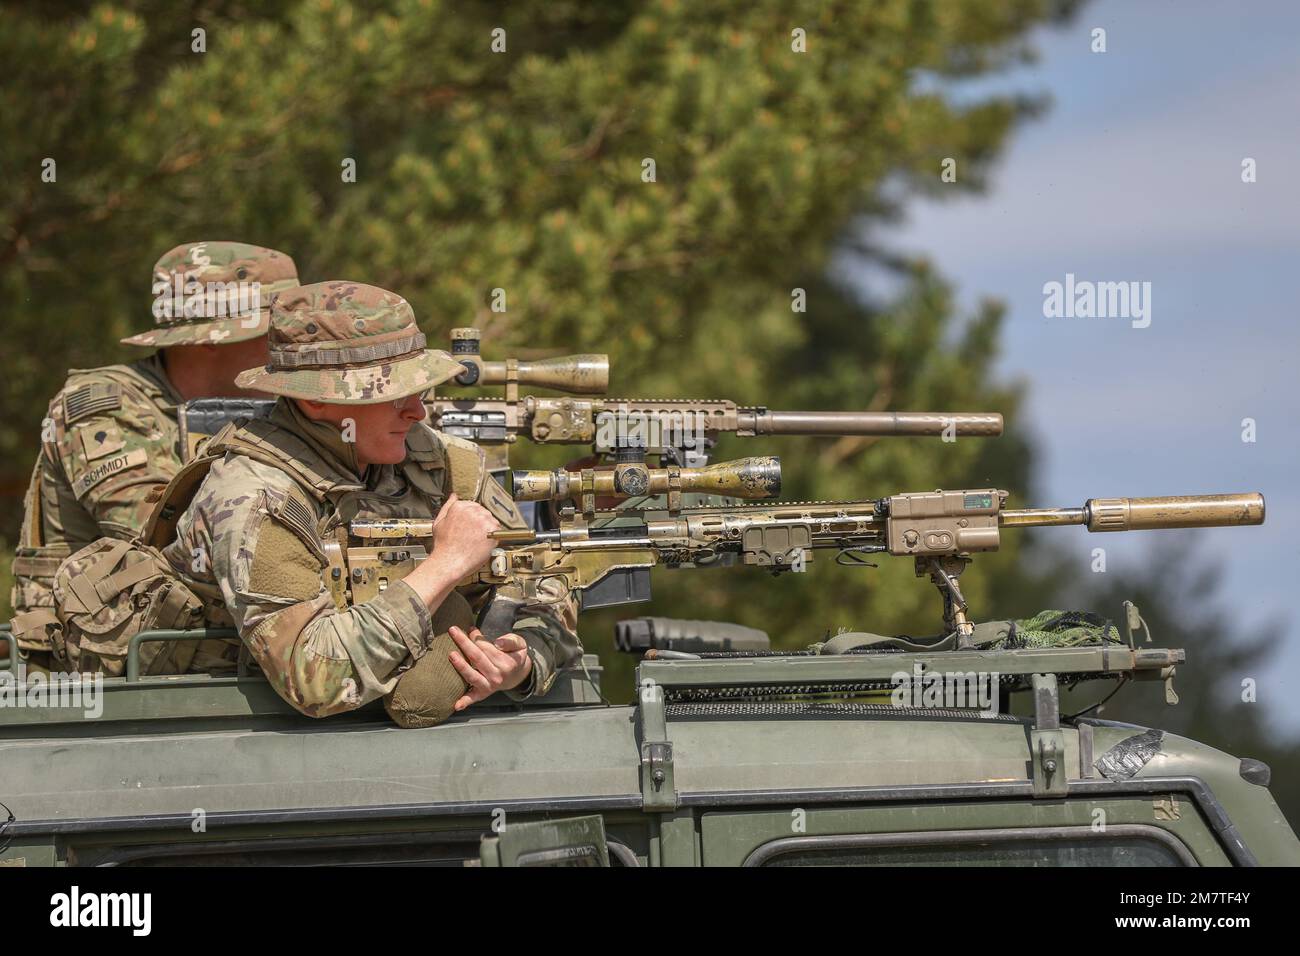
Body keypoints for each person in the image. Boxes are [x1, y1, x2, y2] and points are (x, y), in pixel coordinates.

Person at [157, 280, 581, 721]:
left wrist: (521, 659)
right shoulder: (256, 496)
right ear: (314, 400)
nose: (417, 411)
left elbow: (544, 575)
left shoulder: (441, 464)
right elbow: (312, 677)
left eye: (419, 388)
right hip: (226, 725)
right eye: (394, 393)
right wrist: (443, 568)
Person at [8, 241, 299, 672]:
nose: (293, 347)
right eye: (277, 332)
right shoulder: (104, 405)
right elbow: (160, 536)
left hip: (212, 659)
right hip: (98, 674)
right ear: (211, 337)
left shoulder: (270, 412)